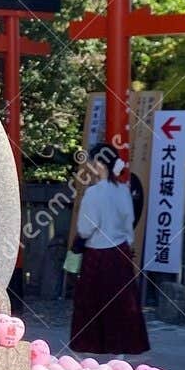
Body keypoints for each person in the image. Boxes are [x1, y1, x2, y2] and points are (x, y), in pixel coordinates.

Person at [70, 143, 150, 356]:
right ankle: (122, 346)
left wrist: (80, 238)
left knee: (92, 300)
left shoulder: (94, 193)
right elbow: (128, 221)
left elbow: (87, 227)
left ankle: (92, 345)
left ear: (99, 164)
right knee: (122, 301)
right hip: (120, 250)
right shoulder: (123, 190)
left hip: (97, 252)